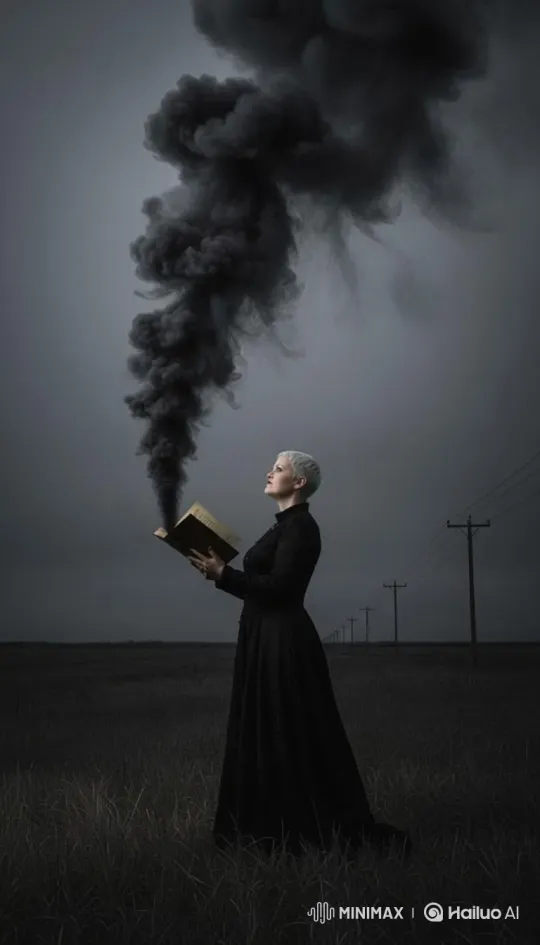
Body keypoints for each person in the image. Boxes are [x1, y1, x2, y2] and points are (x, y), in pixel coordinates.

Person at [188, 451, 412, 860]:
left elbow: (281, 589)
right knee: (264, 728)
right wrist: (222, 574)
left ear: (300, 483)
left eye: (278, 468)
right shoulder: (284, 527)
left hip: (282, 640)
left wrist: (224, 575)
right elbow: (261, 583)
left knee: (286, 730)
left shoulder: (303, 527)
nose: (269, 472)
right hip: (263, 636)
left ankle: (297, 831)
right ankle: (261, 827)